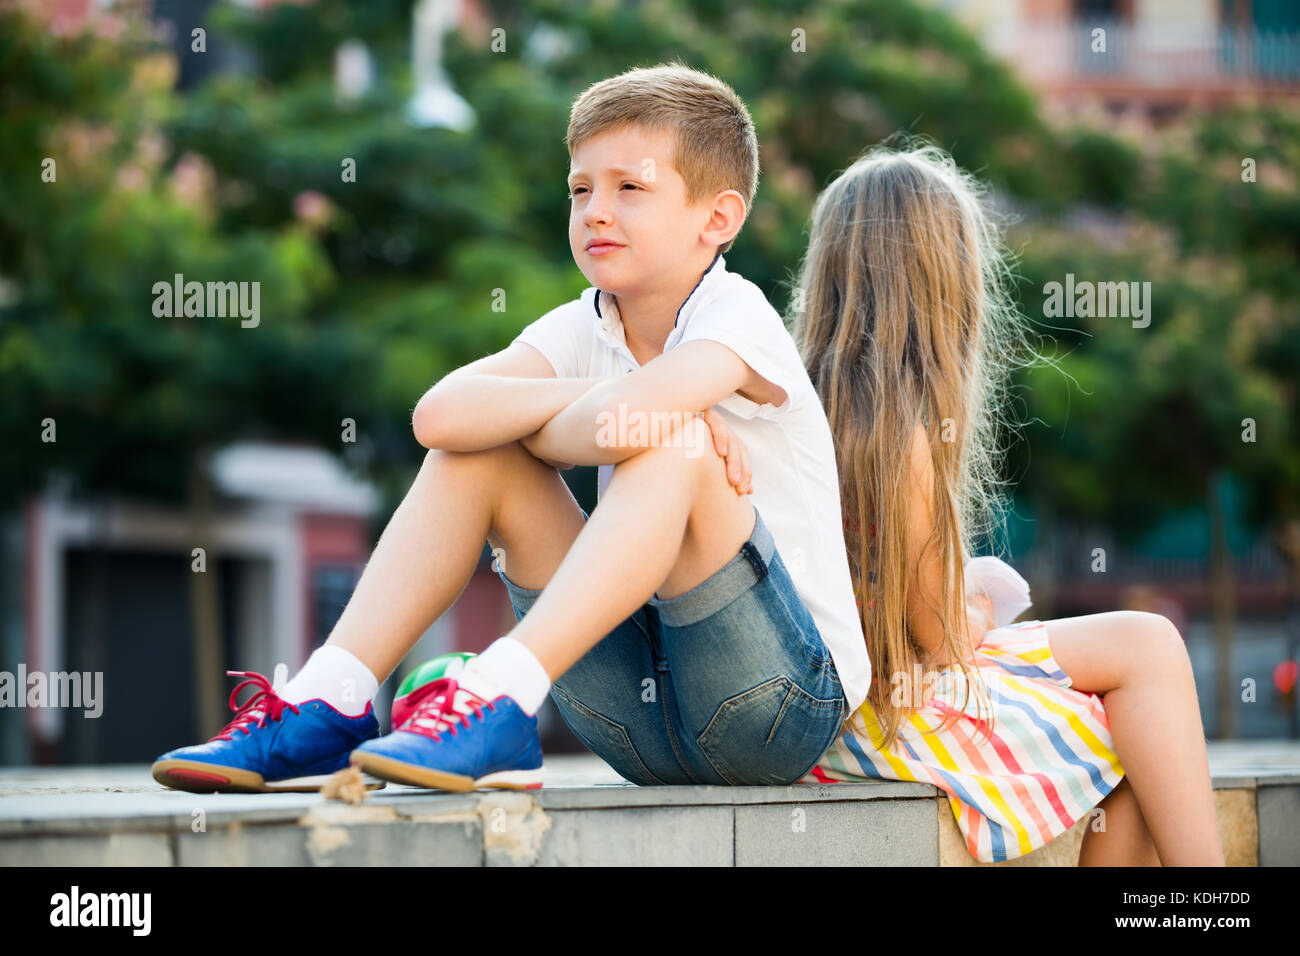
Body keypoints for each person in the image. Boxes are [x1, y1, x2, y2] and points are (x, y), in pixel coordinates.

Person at [151, 62, 870, 795]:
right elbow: (441, 415)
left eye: (630, 187)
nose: (596, 211)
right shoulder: (584, 323)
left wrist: (574, 417)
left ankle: (496, 691)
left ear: (717, 219)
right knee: (475, 454)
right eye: (581, 189)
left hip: (776, 708)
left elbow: (620, 427)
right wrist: (599, 401)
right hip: (636, 723)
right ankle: (329, 702)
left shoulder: (737, 316)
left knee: (674, 442)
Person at [789, 140, 1224, 866]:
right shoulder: (901, 436)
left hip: (826, 711)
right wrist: (981, 604)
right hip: (880, 714)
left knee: (1141, 686)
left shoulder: (800, 407)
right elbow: (939, 640)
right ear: (946, 284)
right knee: (1143, 672)